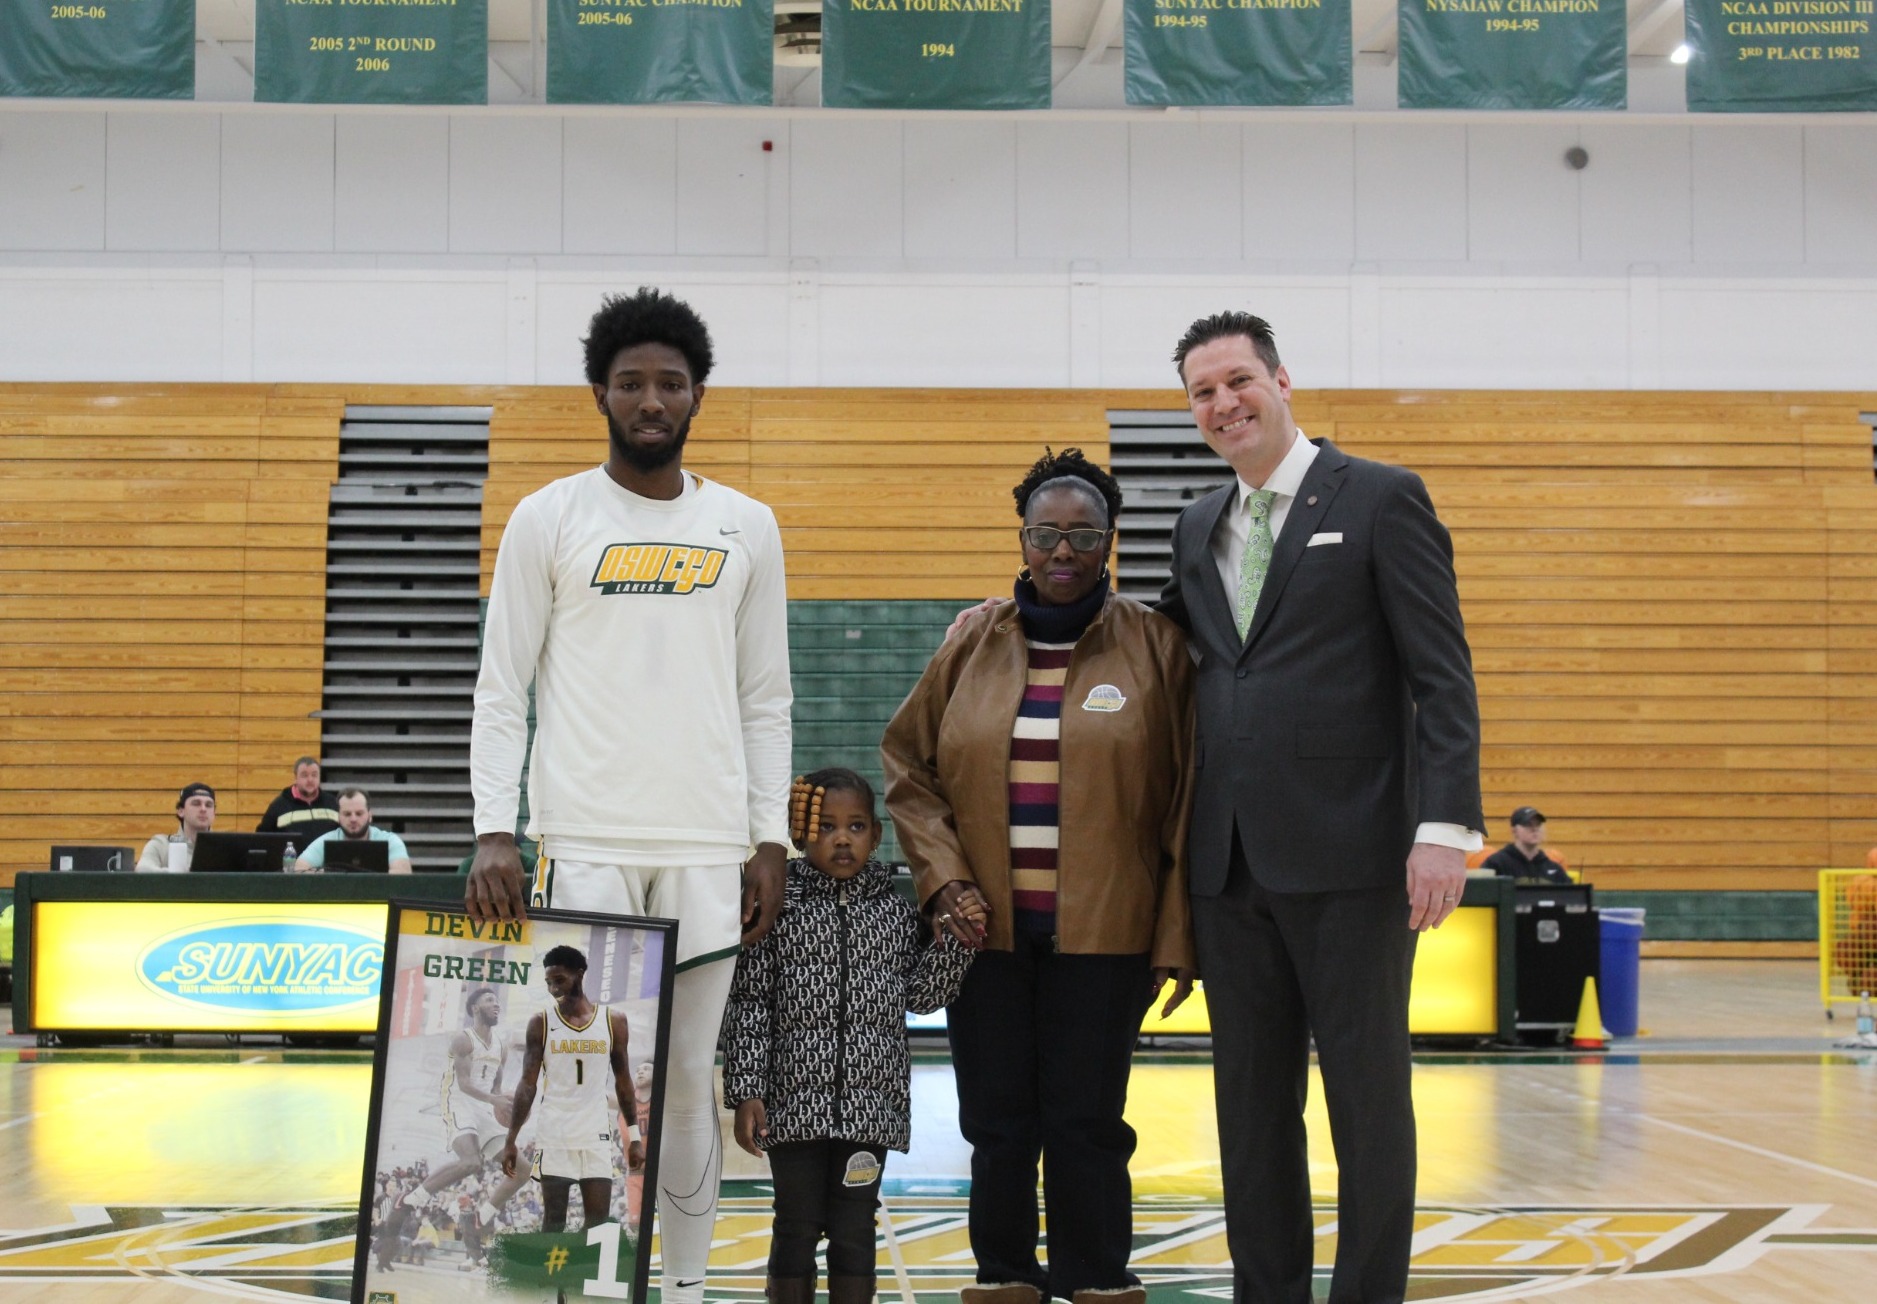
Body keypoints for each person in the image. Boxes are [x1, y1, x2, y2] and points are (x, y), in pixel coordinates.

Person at [467, 286, 793, 1304]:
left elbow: (764, 696)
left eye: (670, 382)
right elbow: (500, 684)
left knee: (685, 1076)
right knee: (580, 1084)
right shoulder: (548, 515)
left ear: (697, 394)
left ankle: (687, 1286)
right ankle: (590, 1278)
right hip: (585, 838)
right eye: (630, 382)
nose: (651, 399)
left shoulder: (746, 523)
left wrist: (767, 835)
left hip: (704, 846)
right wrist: (493, 828)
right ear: (599, 392)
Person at [1159, 312, 1483, 1304]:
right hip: (1230, 865)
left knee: (1367, 1106)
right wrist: (1009, 608)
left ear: (1281, 380)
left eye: (1235, 380)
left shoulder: (1381, 498)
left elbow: (1442, 676)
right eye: (1201, 392)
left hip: (1354, 857)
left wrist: (1443, 829)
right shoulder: (1192, 524)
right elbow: (1173, 646)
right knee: (1250, 1113)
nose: (1221, 403)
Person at [883, 449, 1198, 1304]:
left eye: (1083, 535)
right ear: (1021, 540)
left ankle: (1097, 1281)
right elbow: (908, 767)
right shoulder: (971, 643)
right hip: (985, 936)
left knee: (1087, 1123)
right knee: (996, 1124)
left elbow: (1188, 800)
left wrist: (1175, 931)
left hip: (1109, 935)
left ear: (1110, 543)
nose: (1063, 552)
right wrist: (944, 881)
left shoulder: (1158, 647)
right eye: (1045, 534)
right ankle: (1005, 1277)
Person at [721, 769, 975, 1304]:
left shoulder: (895, 914)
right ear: (800, 835)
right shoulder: (778, 910)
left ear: (876, 835)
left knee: (856, 1228)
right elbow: (749, 1005)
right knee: (795, 1223)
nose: (841, 838)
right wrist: (746, 1089)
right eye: (826, 827)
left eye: (856, 826)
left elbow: (922, 997)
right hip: (791, 1107)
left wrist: (956, 944)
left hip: (869, 1109)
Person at [375, 986, 533, 1272]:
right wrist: (494, 1098)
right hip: (458, 1101)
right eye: (489, 1000)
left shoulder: (500, 1045)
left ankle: (479, 1219)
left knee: (522, 1170)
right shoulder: (463, 1039)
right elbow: (464, 1084)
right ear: (474, 1008)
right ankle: (412, 1198)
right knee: (471, 1162)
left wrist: (507, 1102)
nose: (495, 1005)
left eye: (497, 1001)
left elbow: (495, 1088)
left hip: (484, 1107)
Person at [501, 945, 645, 1233]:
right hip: (554, 1131)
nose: (554, 989)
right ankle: (547, 1279)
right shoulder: (540, 1022)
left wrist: (635, 1137)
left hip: (595, 1131)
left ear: (579, 974)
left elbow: (623, 1081)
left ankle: (579, 1277)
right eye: (549, 983)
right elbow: (527, 1084)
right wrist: (511, 1138)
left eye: (559, 980)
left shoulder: (613, 1021)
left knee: (597, 1223)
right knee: (553, 1220)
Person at [292, 788, 414, 873]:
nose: (353, 819)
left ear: (370, 815)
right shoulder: (326, 840)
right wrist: (328, 874)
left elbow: (403, 872)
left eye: (359, 813)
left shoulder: (390, 840)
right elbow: (299, 868)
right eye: (347, 814)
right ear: (339, 817)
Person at [257, 756, 340, 844]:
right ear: (295, 778)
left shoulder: (332, 803)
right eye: (304, 775)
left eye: (314, 775)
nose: (310, 780)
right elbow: (262, 840)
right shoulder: (279, 806)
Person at [1481, 807, 1573, 886]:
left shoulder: (1554, 867)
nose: (1534, 828)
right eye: (1528, 824)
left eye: (1538, 824)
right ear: (1514, 831)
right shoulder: (1496, 863)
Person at [137, 781, 216, 872]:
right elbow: (142, 869)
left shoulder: (224, 850)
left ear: (214, 813)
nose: (203, 809)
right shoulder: (161, 845)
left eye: (209, 805)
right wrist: (177, 874)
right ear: (181, 811)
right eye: (196, 803)